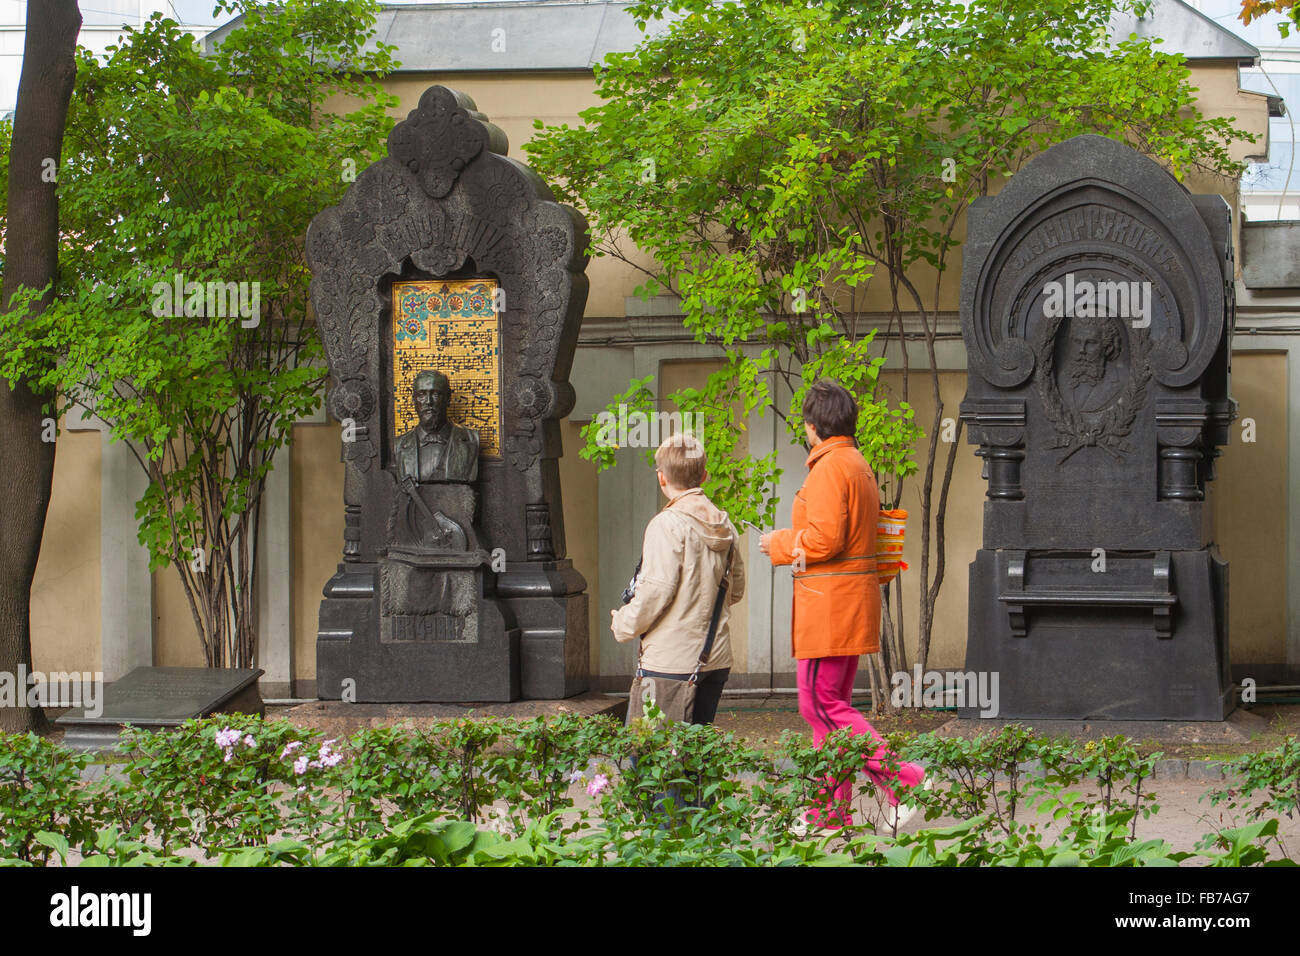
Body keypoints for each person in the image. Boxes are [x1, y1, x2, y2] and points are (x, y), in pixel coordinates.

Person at [760, 379, 926, 829]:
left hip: (829, 607)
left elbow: (825, 538)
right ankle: (827, 813)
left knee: (820, 706)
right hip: (846, 603)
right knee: (829, 708)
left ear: (812, 426)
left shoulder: (831, 467)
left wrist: (778, 543)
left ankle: (904, 780)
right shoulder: (855, 462)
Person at [611, 431, 745, 727]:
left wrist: (622, 623)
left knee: (649, 760)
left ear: (662, 478)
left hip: (669, 663)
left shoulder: (666, 525)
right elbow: (736, 591)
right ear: (705, 475)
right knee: (693, 757)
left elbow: (654, 593)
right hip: (715, 657)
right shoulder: (725, 524)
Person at [393, 369, 480, 484]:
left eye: (435, 394)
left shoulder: (471, 439)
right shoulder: (400, 445)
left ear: (448, 398)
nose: (428, 401)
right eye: (421, 395)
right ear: (414, 400)